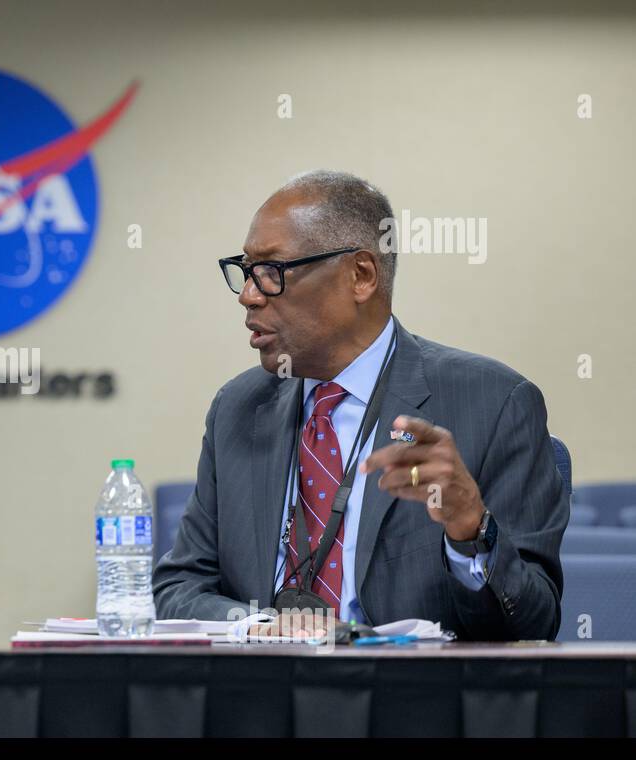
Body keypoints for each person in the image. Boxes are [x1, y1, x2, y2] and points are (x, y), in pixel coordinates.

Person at [153, 172, 565, 641]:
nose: (248, 294)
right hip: (263, 696)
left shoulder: (493, 404)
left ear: (361, 275)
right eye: (246, 271)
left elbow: (534, 625)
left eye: (272, 272)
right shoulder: (239, 408)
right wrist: (261, 625)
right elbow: (178, 587)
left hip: (410, 701)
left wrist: (471, 529)